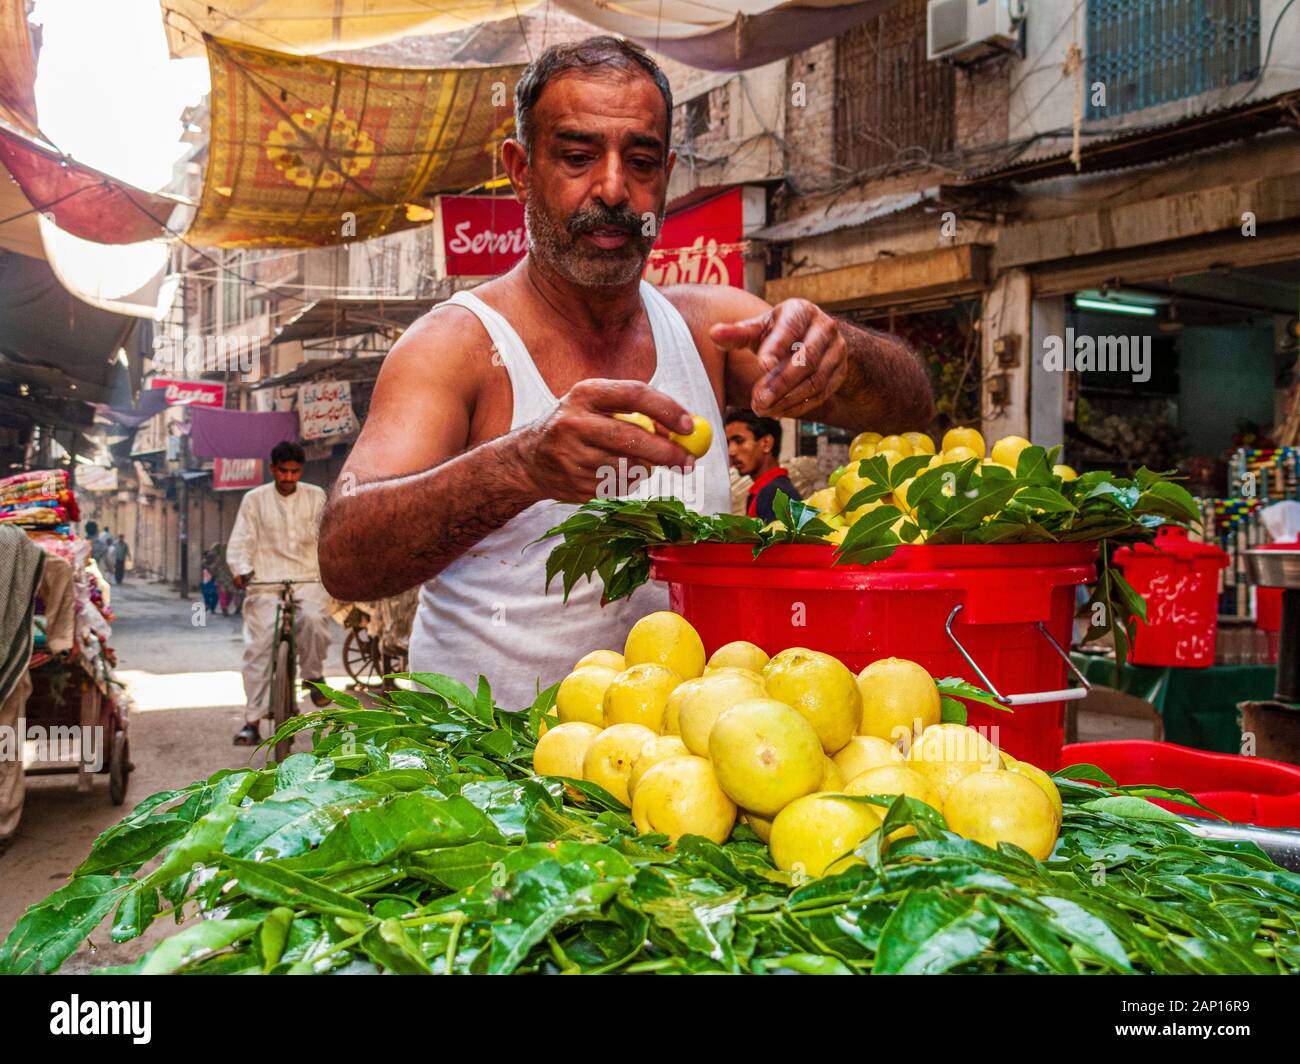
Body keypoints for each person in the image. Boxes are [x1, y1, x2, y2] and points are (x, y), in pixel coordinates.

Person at [318, 37, 933, 709]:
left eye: (640, 162)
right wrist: (519, 466)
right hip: (492, 785)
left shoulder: (710, 328)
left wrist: (842, 349)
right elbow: (347, 557)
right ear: (521, 170)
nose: (613, 189)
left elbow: (909, 406)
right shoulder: (458, 347)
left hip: (682, 773)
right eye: (578, 157)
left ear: (665, 175)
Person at [226, 441, 333, 746]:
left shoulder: (316, 497)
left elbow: (327, 537)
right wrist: (241, 569)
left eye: (294, 471)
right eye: (283, 471)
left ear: (301, 470)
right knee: (259, 647)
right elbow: (242, 540)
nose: (288, 477)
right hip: (265, 582)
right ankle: (252, 720)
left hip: (307, 579)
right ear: (272, 469)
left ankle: (313, 677)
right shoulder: (254, 500)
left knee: (314, 621)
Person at [725, 408, 799, 524]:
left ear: (766, 443)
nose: (731, 451)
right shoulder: (767, 490)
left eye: (739, 441)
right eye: (728, 443)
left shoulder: (774, 493)